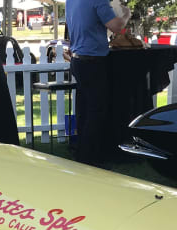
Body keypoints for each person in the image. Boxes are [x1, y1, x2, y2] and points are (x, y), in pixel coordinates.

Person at [66, 0, 130, 165]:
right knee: (96, 112)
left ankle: (82, 153)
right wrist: (126, 15)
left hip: (78, 59)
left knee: (84, 110)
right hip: (93, 61)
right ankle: (91, 158)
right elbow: (116, 26)